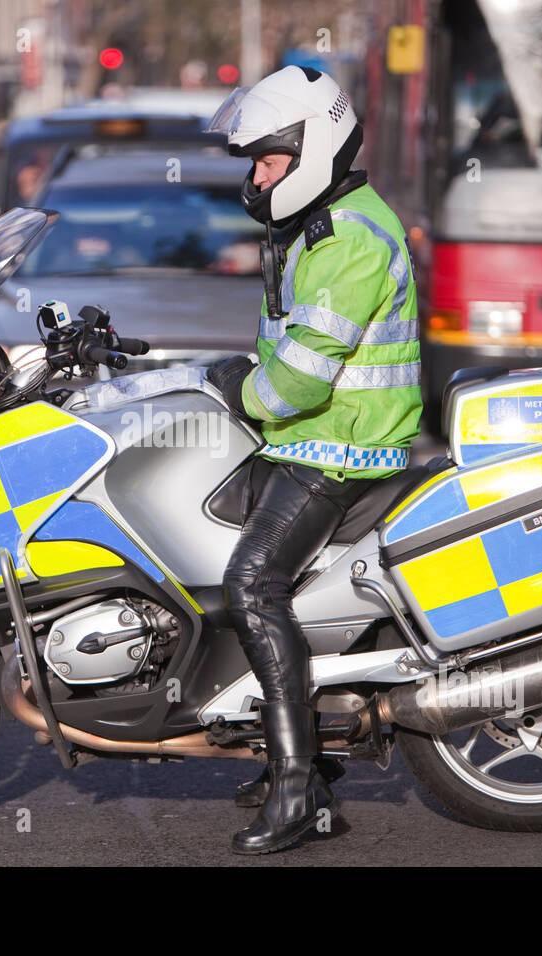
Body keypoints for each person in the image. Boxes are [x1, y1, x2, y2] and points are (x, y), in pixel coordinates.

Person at [204, 66, 422, 854]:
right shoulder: (320, 224)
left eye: (267, 162)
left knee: (251, 581)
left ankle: (299, 786)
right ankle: (282, 754)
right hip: (310, 439)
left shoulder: (351, 238)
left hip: (342, 448)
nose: (256, 179)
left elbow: (298, 378)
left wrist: (242, 395)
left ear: (313, 150)